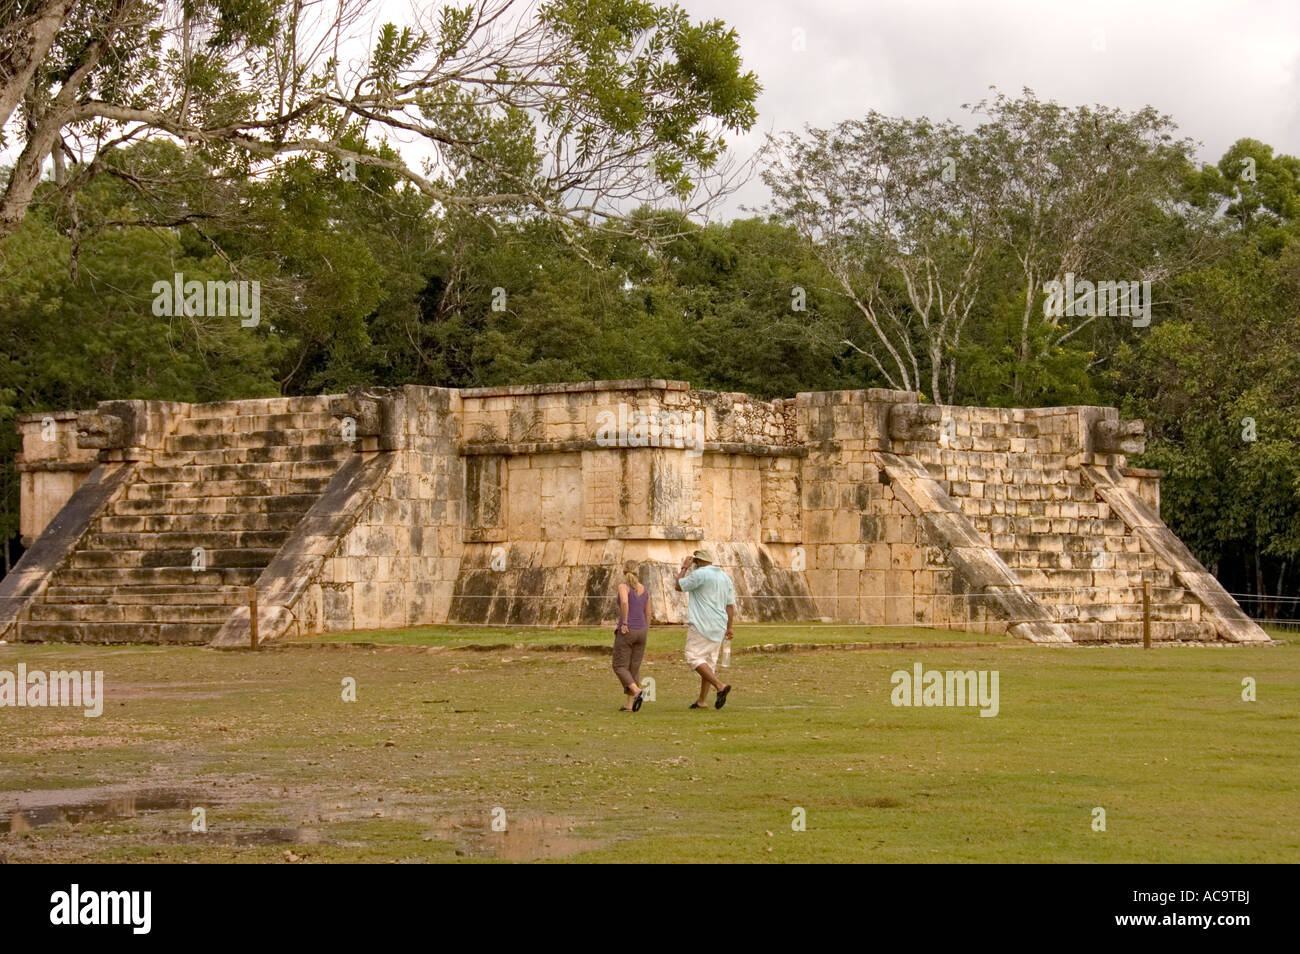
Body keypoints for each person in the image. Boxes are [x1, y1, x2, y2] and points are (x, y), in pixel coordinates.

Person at [675, 549, 735, 709]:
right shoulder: (725, 578)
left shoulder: (700, 574)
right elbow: (730, 605)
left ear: (699, 562)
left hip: (702, 623)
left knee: (692, 656)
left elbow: (678, 586)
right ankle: (702, 700)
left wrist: (683, 568)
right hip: (719, 624)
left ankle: (720, 686)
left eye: (695, 562)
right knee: (708, 663)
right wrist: (730, 627)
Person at [614, 561, 650, 712]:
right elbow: (648, 613)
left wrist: (625, 622)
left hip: (628, 631)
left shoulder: (623, 587)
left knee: (619, 666)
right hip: (642, 631)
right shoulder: (645, 590)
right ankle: (629, 704)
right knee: (633, 668)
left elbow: (624, 602)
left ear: (624, 572)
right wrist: (645, 630)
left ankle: (637, 691)